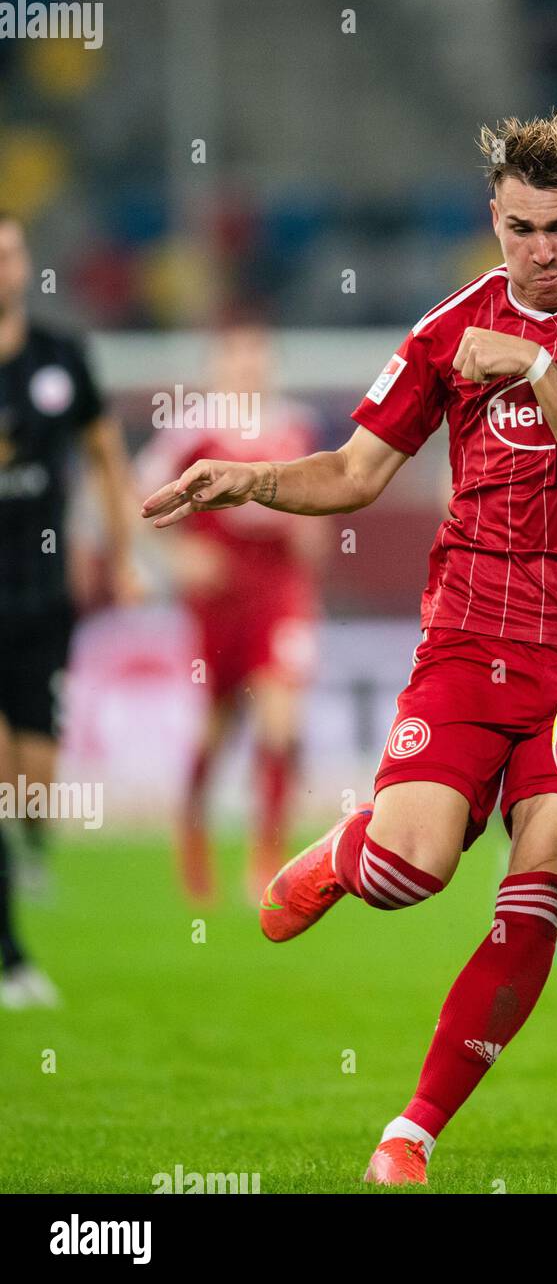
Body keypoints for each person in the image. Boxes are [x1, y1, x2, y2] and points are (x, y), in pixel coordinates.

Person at [141, 112, 557, 1183]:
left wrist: (539, 369)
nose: (542, 251)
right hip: (470, 641)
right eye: (520, 228)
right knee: (409, 868)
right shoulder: (445, 332)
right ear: (494, 221)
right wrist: (248, 480)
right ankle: (343, 853)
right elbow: (354, 472)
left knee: (544, 866)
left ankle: (409, 1132)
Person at [0, 210, 139, 1009]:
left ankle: (32, 843)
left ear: (24, 263)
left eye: (10, 252)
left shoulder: (61, 359)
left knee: (34, 775)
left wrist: (122, 555)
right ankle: (13, 955)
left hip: (42, 599)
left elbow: (104, 457)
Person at [136, 322, 323, 902]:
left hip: (280, 588)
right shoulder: (190, 429)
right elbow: (132, 496)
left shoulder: (295, 426)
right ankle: (190, 829)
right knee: (219, 724)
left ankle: (263, 861)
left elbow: (320, 497)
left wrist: (316, 540)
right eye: (237, 359)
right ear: (218, 367)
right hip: (219, 594)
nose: (248, 368)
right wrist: (175, 555)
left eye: (256, 358)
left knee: (280, 718)